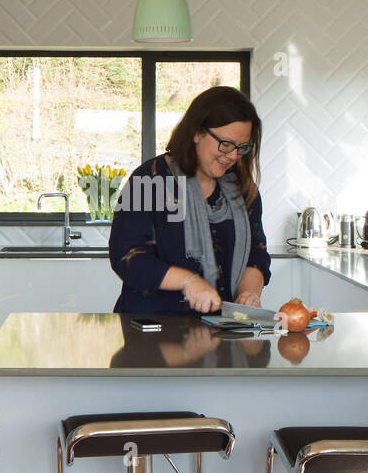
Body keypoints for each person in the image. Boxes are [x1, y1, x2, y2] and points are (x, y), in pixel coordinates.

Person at [108, 85, 270, 314]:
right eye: (225, 144)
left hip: (222, 330)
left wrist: (248, 294)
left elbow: (256, 255)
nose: (233, 155)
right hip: (149, 330)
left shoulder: (242, 190)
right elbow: (127, 256)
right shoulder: (149, 180)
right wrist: (189, 281)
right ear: (196, 132)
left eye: (241, 147)